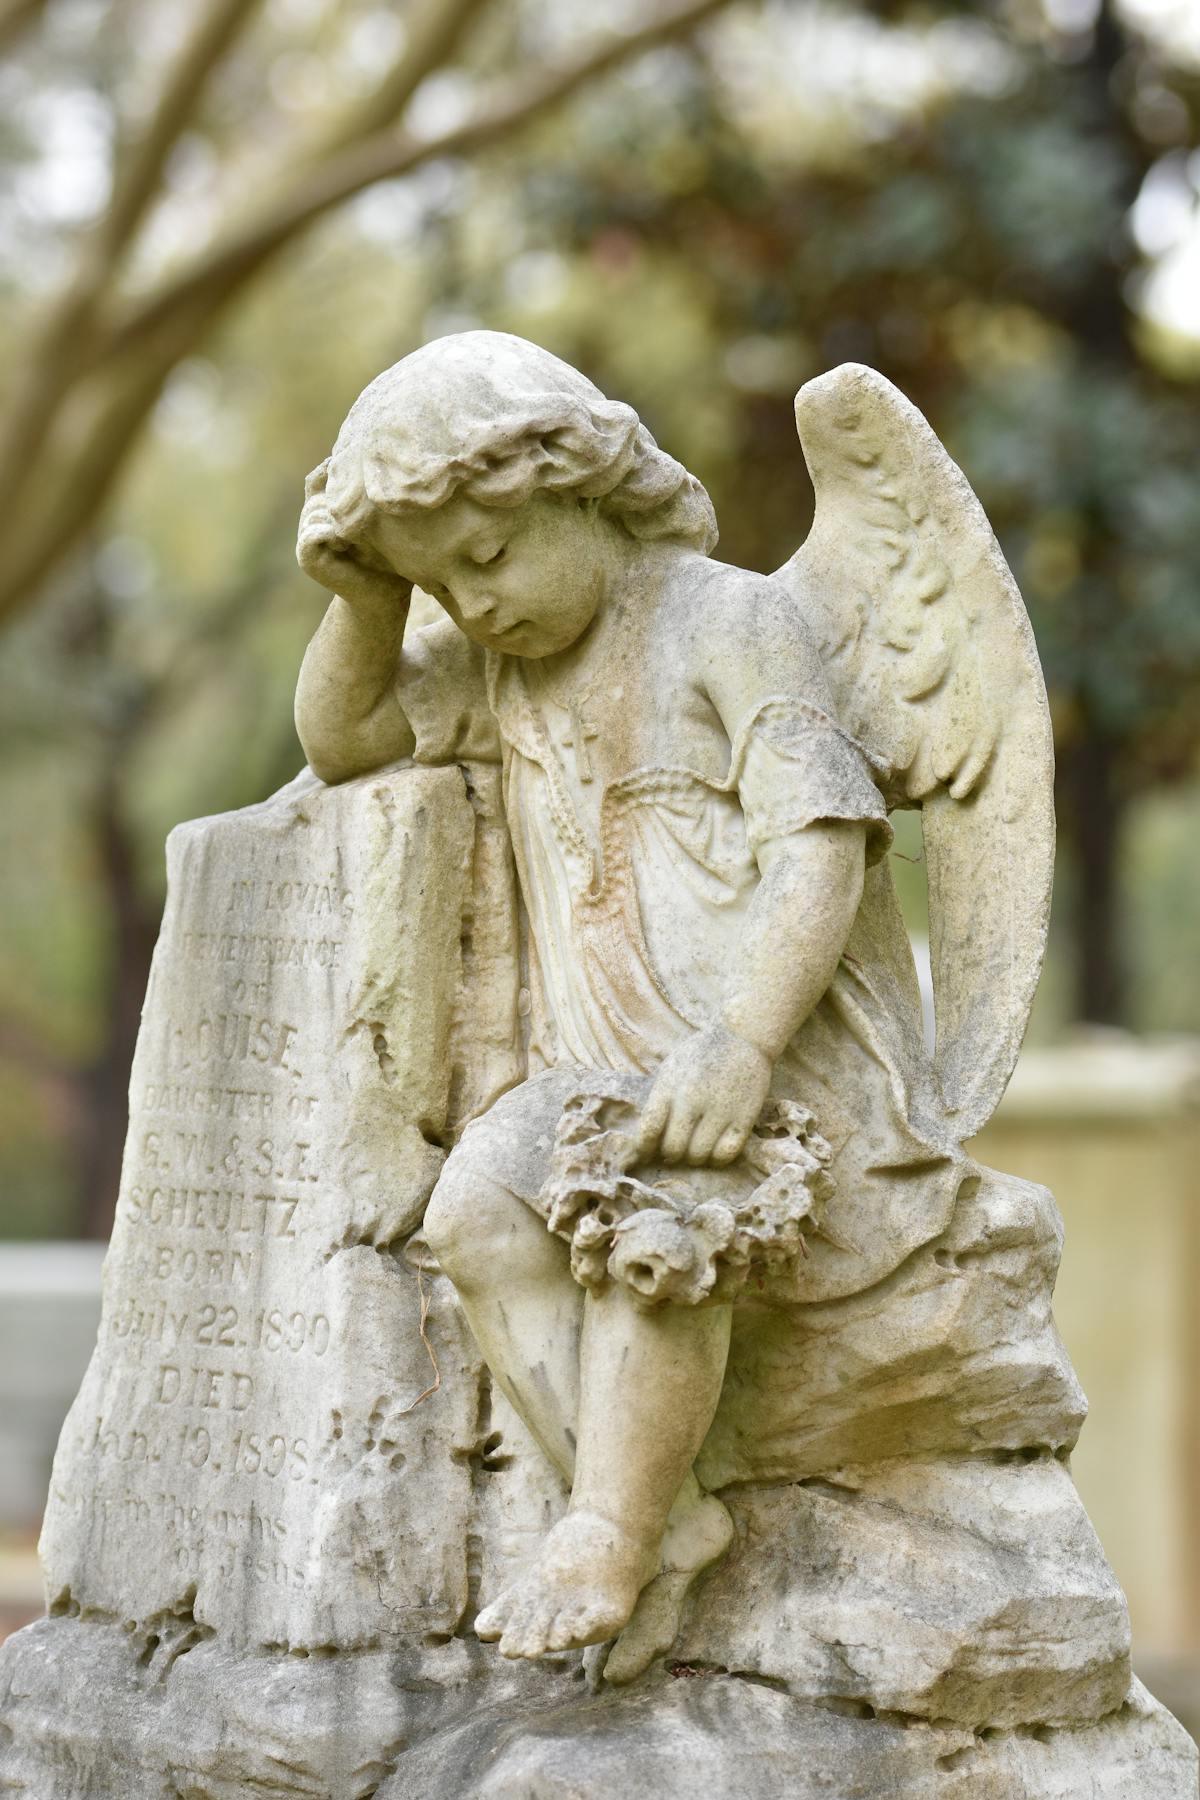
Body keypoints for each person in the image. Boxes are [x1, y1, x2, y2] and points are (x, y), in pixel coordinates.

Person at [294, 331, 960, 1677]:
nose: (470, 606)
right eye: (441, 582)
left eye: (487, 557)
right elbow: (342, 739)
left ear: (587, 485)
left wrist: (743, 1041)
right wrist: (369, 601)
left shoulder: (732, 621)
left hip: (761, 1063)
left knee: (657, 1231)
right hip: (590, 1074)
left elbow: (822, 842)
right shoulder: (500, 666)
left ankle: (607, 1529)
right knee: (475, 1215)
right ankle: (671, 1515)